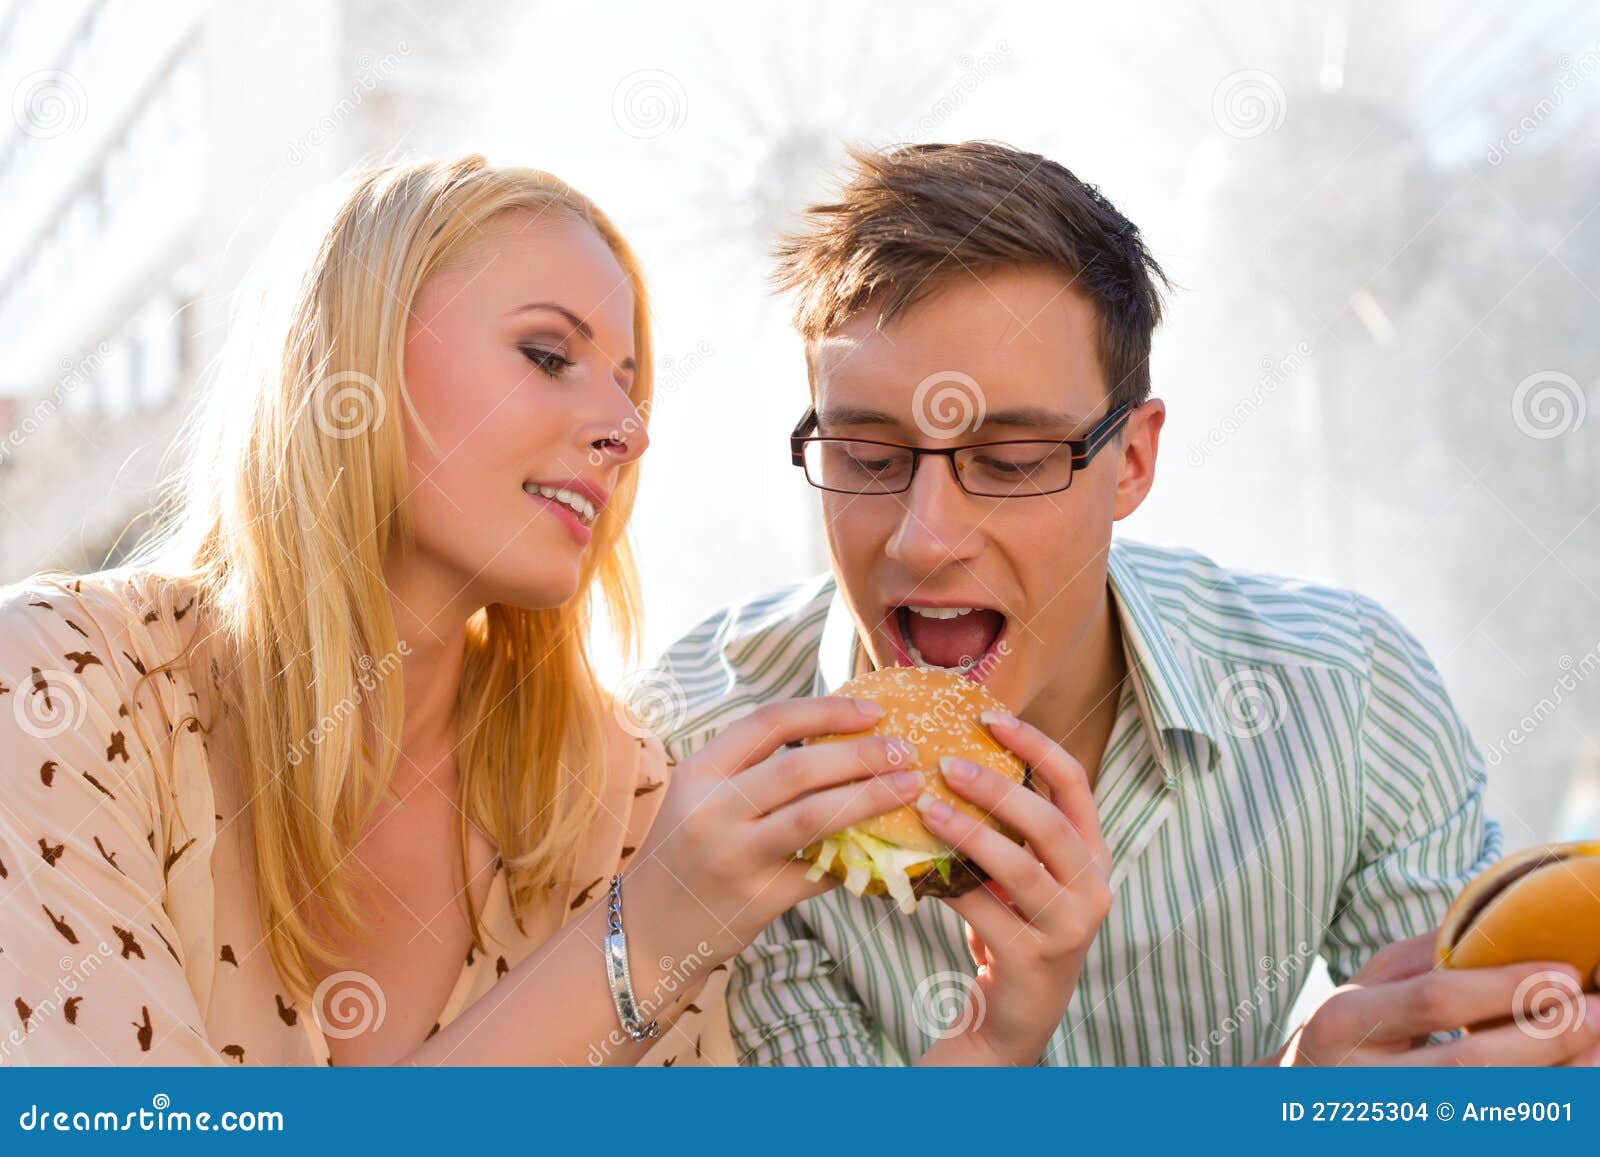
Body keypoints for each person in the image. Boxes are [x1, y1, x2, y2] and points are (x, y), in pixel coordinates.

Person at [646, 141, 1600, 1067]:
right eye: (869, 457)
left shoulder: (1345, 697)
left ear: (1132, 461)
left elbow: (1490, 1067)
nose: (924, 537)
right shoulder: (694, 751)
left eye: (1011, 462)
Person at [0, 155, 926, 1067]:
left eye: (628, 384)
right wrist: (639, 940)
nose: (630, 429)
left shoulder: (625, 799)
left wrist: (990, 1044)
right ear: (350, 354)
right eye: (549, 355)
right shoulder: (58, 690)